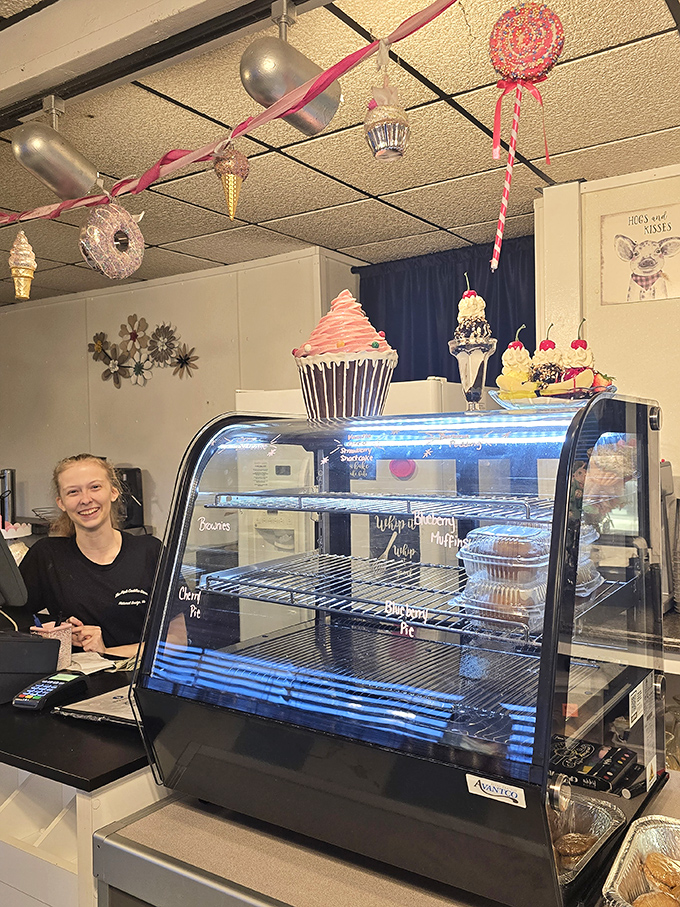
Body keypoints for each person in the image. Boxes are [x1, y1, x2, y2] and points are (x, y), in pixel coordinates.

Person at [20, 453, 180, 658]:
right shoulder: (47, 556)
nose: (85, 499)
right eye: (73, 492)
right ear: (61, 503)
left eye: (95, 487)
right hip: (78, 685)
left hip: (138, 682)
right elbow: (12, 621)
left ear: (113, 492)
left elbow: (177, 640)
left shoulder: (150, 551)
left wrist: (106, 652)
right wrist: (54, 633)